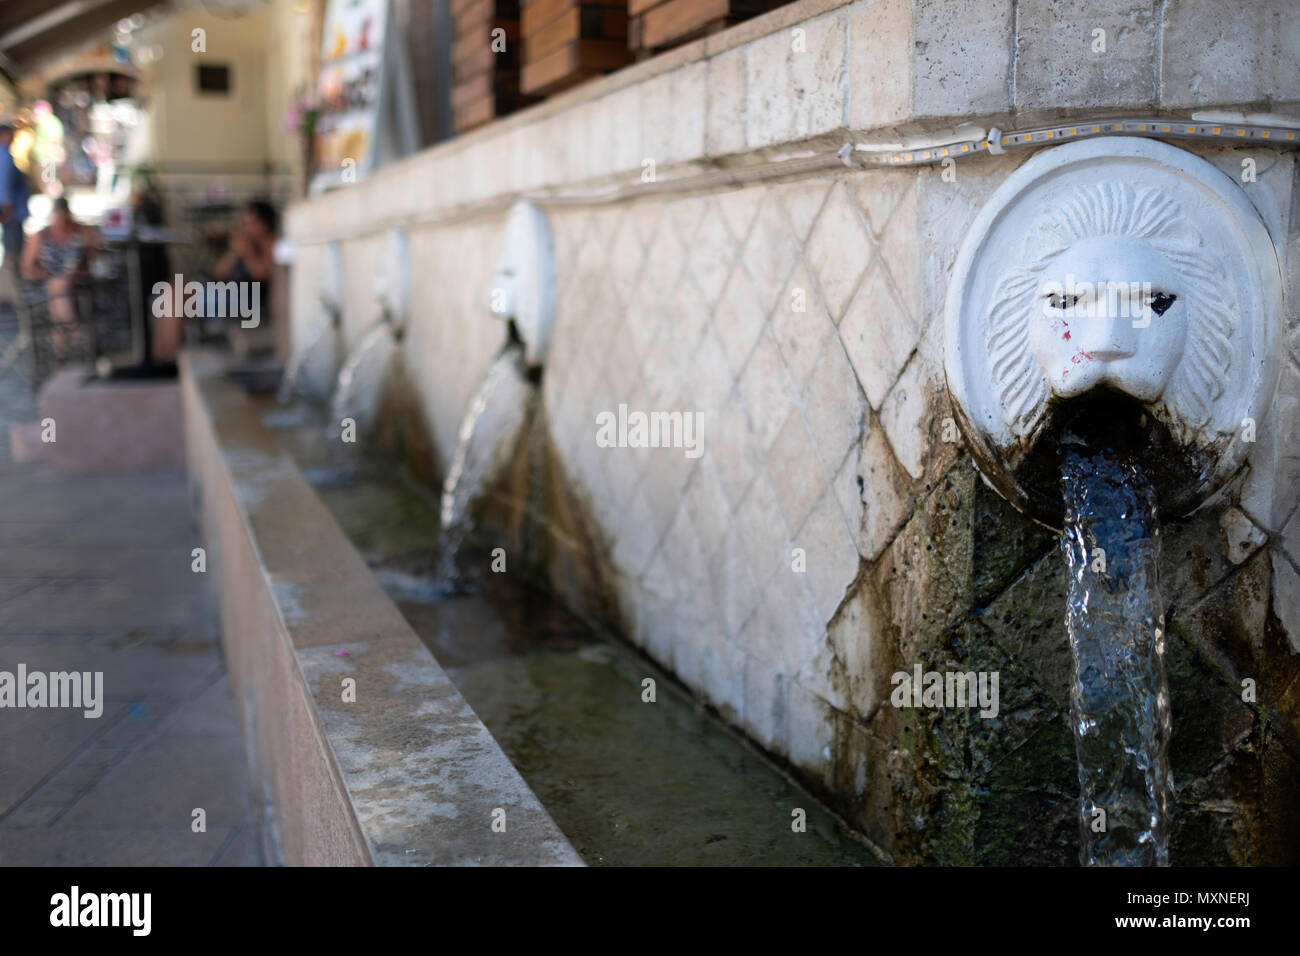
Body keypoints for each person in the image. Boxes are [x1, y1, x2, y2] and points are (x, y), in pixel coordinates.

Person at [153, 198, 278, 361]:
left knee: (176, 297)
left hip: (248, 300)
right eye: (244, 223)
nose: (246, 227)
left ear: (264, 224)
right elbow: (220, 272)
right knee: (171, 291)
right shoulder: (245, 244)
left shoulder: (271, 244)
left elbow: (263, 274)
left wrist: (248, 253)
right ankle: (161, 357)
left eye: (251, 223)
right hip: (227, 292)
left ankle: (170, 360)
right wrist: (234, 252)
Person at [21, 197, 98, 358]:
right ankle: (74, 331)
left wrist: (75, 273)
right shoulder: (40, 236)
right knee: (58, 285)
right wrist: (45, 274)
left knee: (61, 285)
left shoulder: (83, 232)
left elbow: (94, 263)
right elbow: (27, 269)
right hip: (45, 288)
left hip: (79, 285)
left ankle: (61, 347)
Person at [0, 123, 31, 301]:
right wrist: (7, 207)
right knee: (14, 249)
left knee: (12, 247)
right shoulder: (4, 156)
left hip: (11, 210)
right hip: (12, 211)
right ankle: (12, 291)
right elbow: (4, 185)